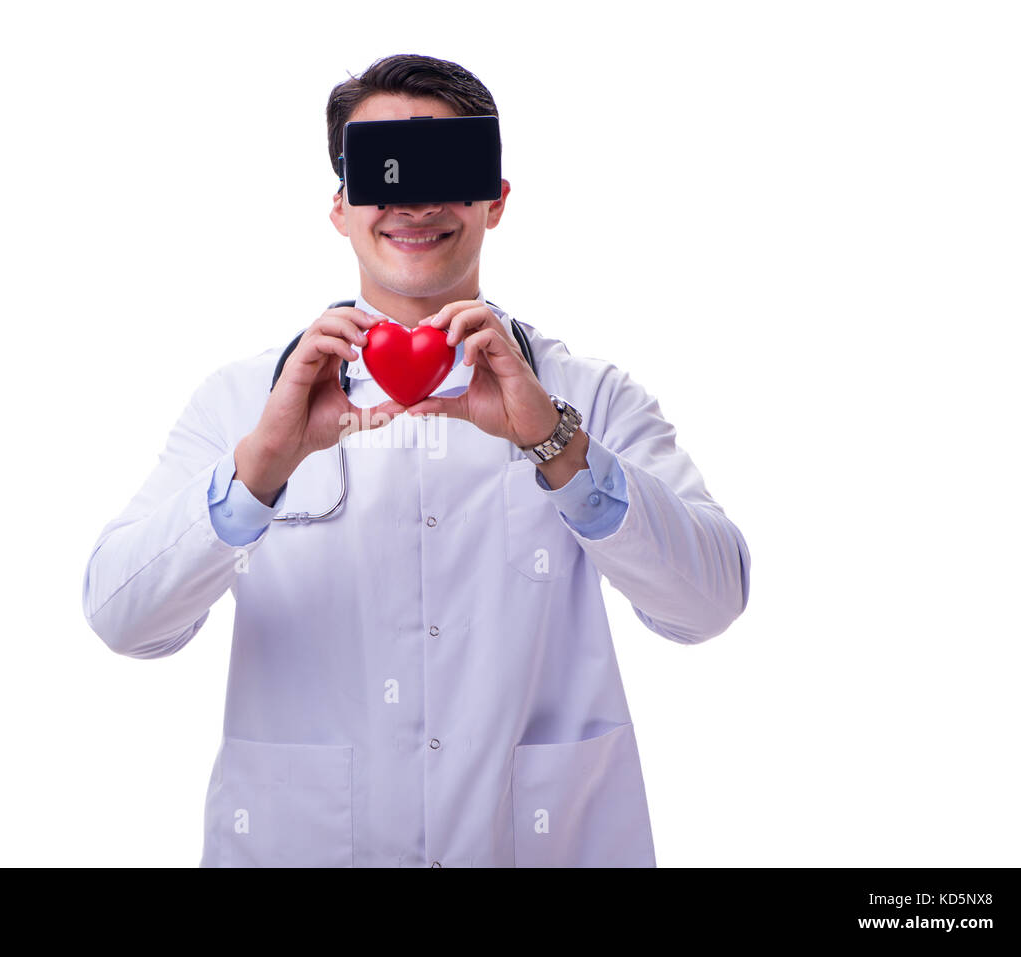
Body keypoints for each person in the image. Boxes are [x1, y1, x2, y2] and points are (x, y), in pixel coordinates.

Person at [81, 53, 751, 867]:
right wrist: (259, 467)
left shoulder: (589, 398)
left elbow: (710, 603)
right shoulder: (243, 402)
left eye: (447, 170)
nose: (414, 200)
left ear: (496, 199)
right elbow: (123, 619)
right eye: (380, 172)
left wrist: (561, 451)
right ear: (339, 205)